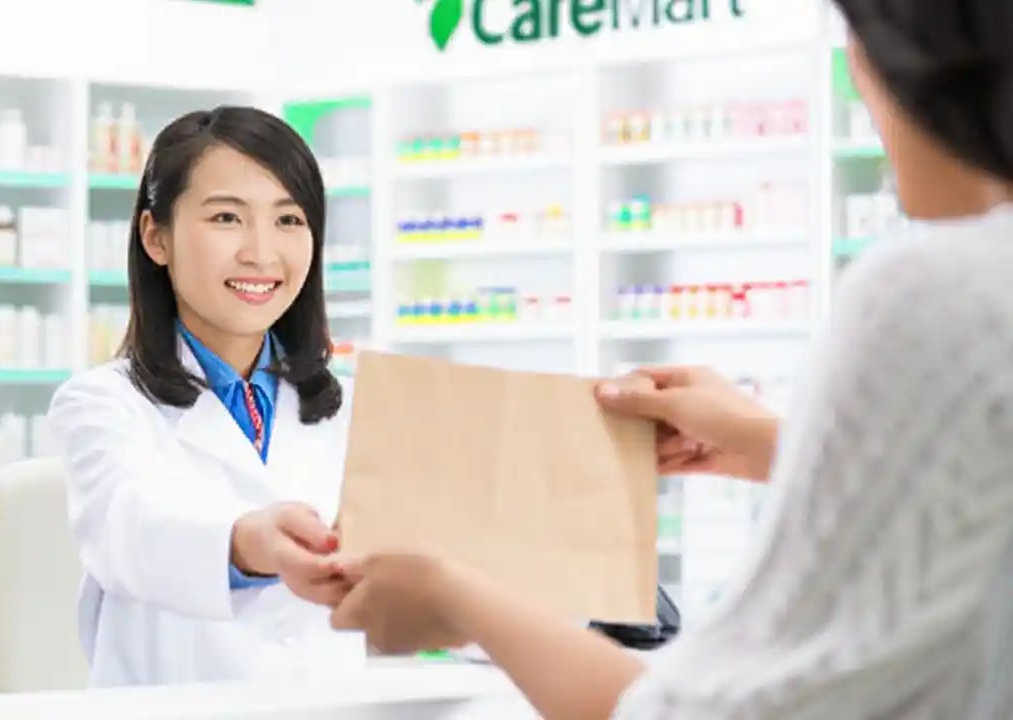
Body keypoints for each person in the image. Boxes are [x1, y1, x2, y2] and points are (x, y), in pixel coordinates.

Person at [329, 1, 1013, 717]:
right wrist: (775, 444)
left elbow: (707, 712)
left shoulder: (937, 293)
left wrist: (457, 598)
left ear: (892, 59)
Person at [48, 106, 352, 686]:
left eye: (289, 220)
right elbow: (132, 531)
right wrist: (246, 544)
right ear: (155, 236)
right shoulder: (102, 405)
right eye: (226, 218)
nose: (261, 253)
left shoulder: (354, 407)